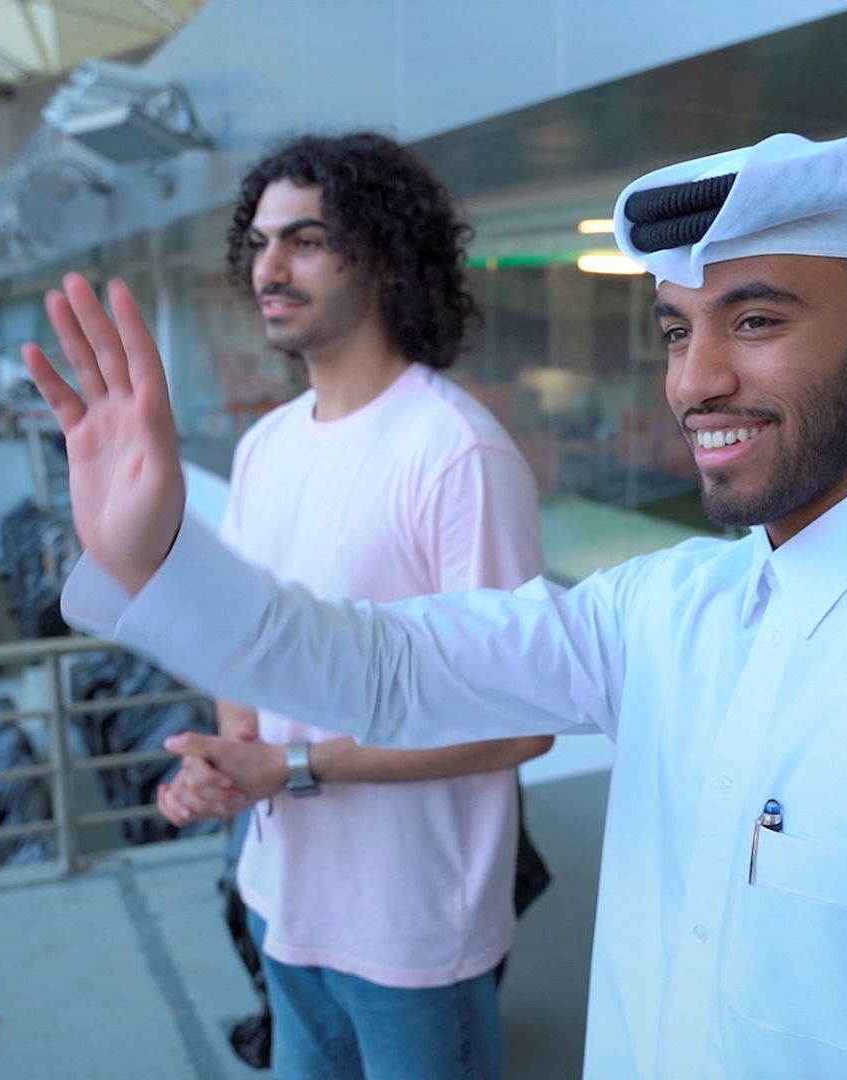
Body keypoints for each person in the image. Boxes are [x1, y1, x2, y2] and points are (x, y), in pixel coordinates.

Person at [25, 132, 847, 1079]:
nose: (695, 381)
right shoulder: (661, 611)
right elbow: (379, 671)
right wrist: (156, 554)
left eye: (756, 319)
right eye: (678, 331)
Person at [29, 133, 553, 1079]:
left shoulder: (455, 453)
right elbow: (247, 657)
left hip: (413, 933)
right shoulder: (267, 447)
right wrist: (231, 758)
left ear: (387, 257)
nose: (268, 266)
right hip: (278, 896)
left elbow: (521, 723)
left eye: (305, 240)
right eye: (261, 242)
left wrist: (293, 766)